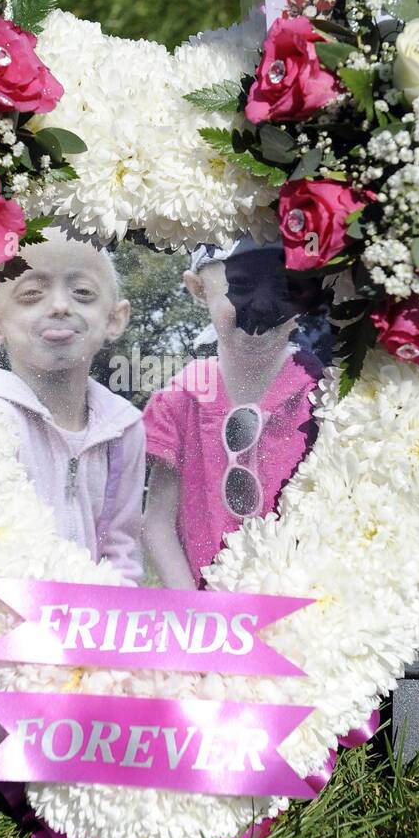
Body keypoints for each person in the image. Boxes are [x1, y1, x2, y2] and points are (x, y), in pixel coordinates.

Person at [142, 237, 322, 589]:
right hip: (209, 616)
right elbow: (158, 522)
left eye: (284, 288)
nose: (262, 304)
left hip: (303, 612)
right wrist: (191, 608)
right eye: (239, 286)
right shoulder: (181, 401)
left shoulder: (321, 395)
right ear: (198, 290)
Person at [0, 227, 145, 584]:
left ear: (114, 319)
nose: (60, 306)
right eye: (31, 294)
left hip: (91, 623)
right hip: (3, 610)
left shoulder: (125, 429)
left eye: (82, 292)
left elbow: (121, 546)